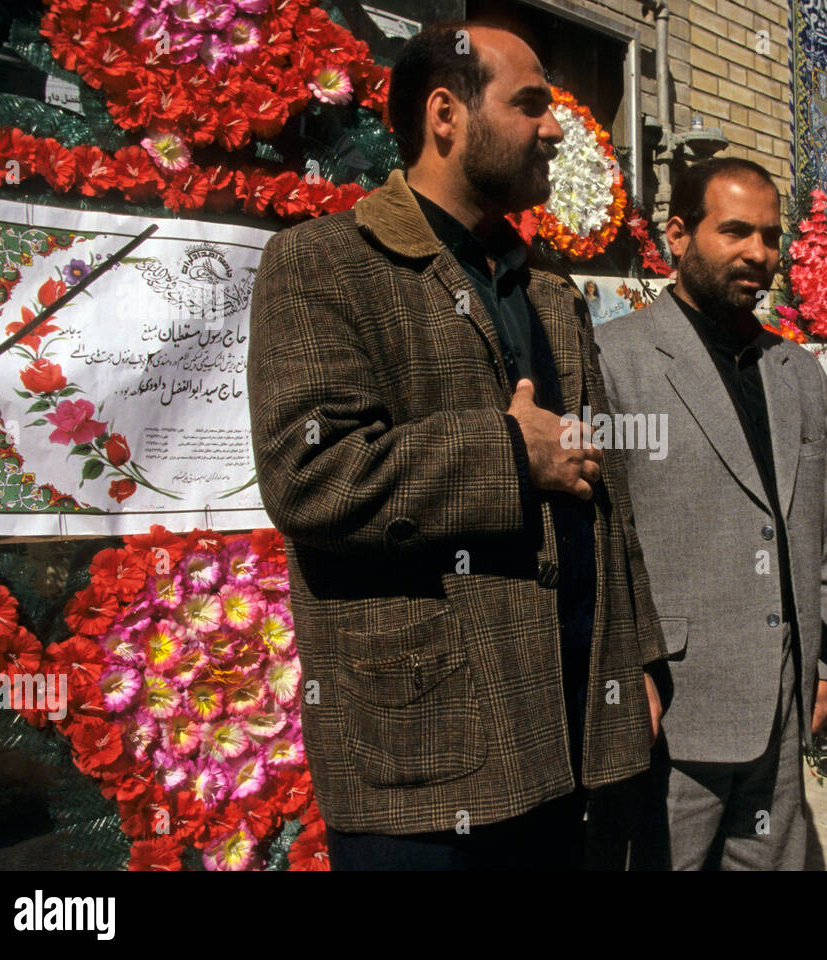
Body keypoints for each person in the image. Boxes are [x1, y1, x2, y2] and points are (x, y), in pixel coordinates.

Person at [246, 21, 667, 870]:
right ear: (446, 114)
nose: (557, 130)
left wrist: (645, 660)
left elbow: (606, 497)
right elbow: (310, 474)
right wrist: (510, 457)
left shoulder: (548, 292)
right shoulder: (322, 263)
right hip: (431, 770)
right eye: (531, 105)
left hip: (581, 737)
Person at [594, 158, 827, 869]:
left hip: (783, 698)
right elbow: (601, 541)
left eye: (770, 237)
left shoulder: (796, 374)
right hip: (676, 708)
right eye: (735, 231)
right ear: (678, 234)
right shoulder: (615, 360)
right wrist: (626, 670)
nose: (758, 254)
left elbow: (822, 533)